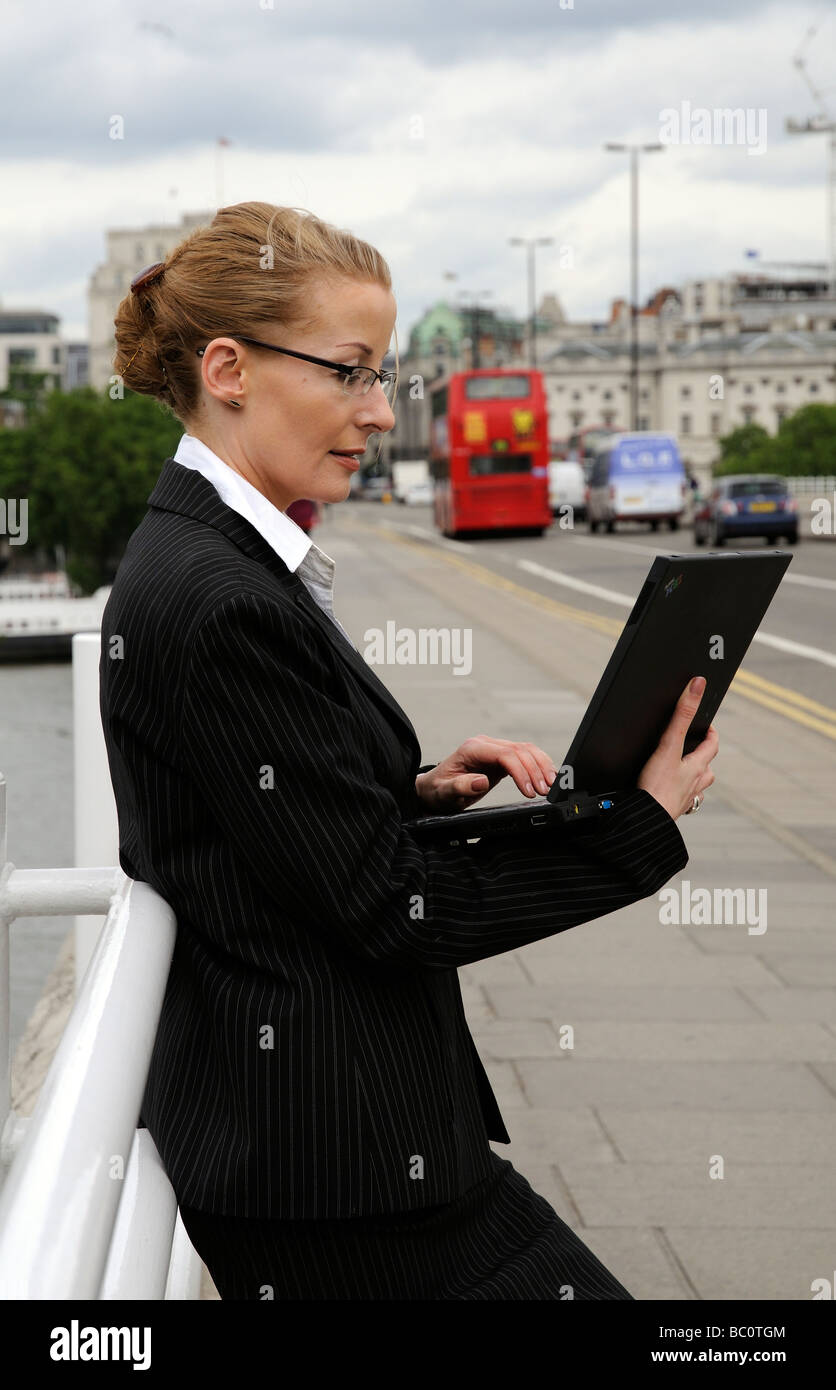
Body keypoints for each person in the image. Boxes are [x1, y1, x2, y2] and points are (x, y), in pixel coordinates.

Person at [101, 201, 718, 1301]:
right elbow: (388, 905)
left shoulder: (219, 554)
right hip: (337, 1178)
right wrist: (639, 826)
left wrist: (411, 788)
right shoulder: (216, 594)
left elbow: (275, 832)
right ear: (231, 368)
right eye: (349, 372)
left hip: (348, 1149)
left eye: (382, 375)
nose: (382, 411)